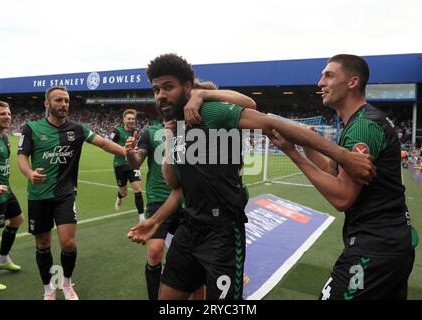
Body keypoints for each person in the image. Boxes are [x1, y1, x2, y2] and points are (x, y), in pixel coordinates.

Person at [128, 53, 375, 300]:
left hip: (222, 233)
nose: (160, 95)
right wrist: (155, 221)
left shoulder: (210, 111)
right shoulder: (177, 128)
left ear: (188, 87)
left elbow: (270, 124)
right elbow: (176, 186)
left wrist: (343, 156)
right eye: (156, 89)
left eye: (167, 87)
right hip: (189, 229)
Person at [270, 54, 416, 299]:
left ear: (352, 82)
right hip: (391, 244)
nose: (320, 83)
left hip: (374, 249)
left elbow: (342, 198)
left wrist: (292, 153)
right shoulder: (360, 121)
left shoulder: (363, 127)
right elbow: (332, 170)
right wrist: (307, 145)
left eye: (329, 75)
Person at [126, 79, 256, 300]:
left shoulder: (216, 128)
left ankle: (230, 272)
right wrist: (169, 138)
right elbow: (174, 184)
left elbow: (249, 104)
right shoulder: (175, 132)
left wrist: (205, 95)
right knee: (170, 267)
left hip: (218, 220)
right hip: (181, 212)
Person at [17, 86, 126, 300]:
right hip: (39, 195)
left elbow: (103, 143)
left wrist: (127, 151)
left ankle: (66, 283)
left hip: (65, 194)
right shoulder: (31, 128)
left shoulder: (78, 129)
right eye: (58, 100)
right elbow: (22, 157)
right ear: (47, 104)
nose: (63, 104)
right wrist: (30, 173)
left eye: (66, 100)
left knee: (68, 243)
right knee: (43, 244)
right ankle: (48, 289)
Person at [0, 101, 25, 292]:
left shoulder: (4, 138)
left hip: (6, 189)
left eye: (9, 113)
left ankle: (3, 258)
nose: (7, 116)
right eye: (2, 114)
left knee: (17, 219)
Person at [110, 109, 144, 219]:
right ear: (124, 120)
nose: (131, 121)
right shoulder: (117, 132)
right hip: (119, 165)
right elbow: (109, 145)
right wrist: (124, 150)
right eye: (129, 118)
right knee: (124, 193)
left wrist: (135, 149)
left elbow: (135, 147)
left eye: (133, 119)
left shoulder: (135, 132)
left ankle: (141, 218)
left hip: (132, 164)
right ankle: (120, 197)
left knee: (138, 189)